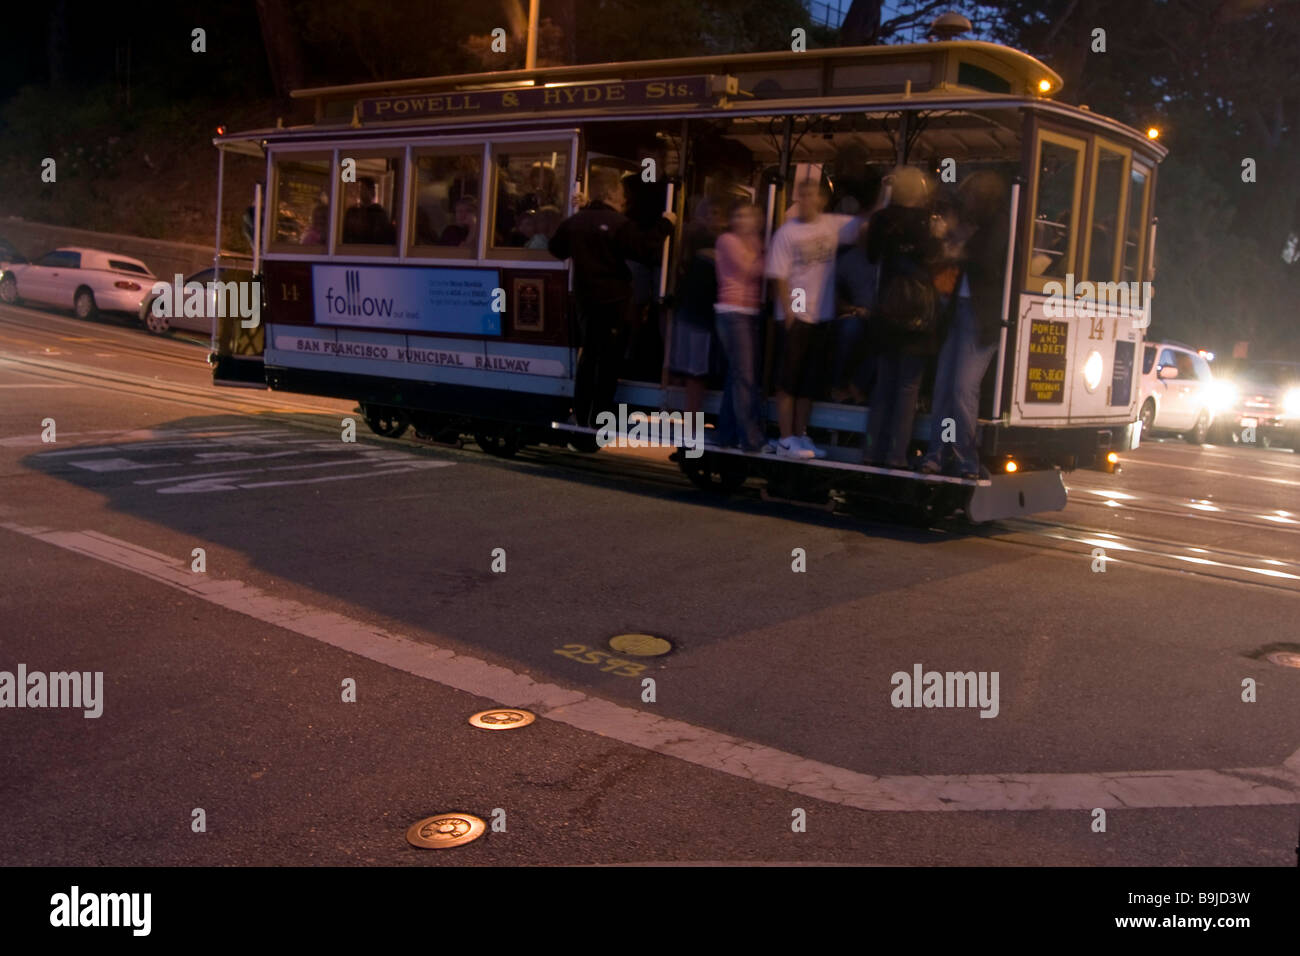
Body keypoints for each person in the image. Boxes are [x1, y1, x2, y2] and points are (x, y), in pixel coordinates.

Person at [548, 169, 676, 429]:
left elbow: (556, 249)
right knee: (609, 361)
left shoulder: (575, 222)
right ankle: (599, 415)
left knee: (589, 355)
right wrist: (667, 223)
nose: (624, 200)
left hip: (585, 298)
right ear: (610, 194)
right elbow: (645, 250)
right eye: (621, 194)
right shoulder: (619, 224)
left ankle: (582, 413)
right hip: (615, 300)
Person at [764, 178, 868, 459]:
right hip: (798, 315)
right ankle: (786, 438)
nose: (807, 199)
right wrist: (790, 312)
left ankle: (800, 435)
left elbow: (864, 224)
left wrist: (887, 191)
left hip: (821, 317)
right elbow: (780, 276)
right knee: (788, 381)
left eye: (812, 195)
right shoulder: (787, 233)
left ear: (822, 200)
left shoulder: (831, 225)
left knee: (807, 383)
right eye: (803, 194)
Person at [919, 170, 1010, 479]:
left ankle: (965, 459)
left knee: (961, 389)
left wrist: (959, 248)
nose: (965, 201)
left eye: (970, 195)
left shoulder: (998, 224)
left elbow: (987, 262)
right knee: (944, 387)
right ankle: (937, 453)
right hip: (959, 309)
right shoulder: (975, 225)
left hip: (980, 314)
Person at [864, 165, 941, 468]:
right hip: (919, 314)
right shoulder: (928, 222)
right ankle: (897, 455)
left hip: (887, 309)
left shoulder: (881, 220)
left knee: (883, 386)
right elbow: (935, 255)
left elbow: (871, 255)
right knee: (908, 389)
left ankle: (871, 452)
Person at [714, 199, 767, 452]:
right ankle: (750, 438)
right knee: (744, 377)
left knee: (737, 376)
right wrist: (766, 256)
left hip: (748, 313)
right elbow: (748, 269)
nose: (742, 221)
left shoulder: (753, 243)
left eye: (748, 216)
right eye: (739, 216)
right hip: (732, 312)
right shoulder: (727, 241)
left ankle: (726, 434)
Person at [668, 197, 722, 425]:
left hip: (696, 314)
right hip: (699, 316)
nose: (712, 219)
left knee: (694, 377)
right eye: (708, 214)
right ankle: (690, 434)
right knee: (695, 378)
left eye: (716, 214)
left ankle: (689, 435)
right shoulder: (698, 242)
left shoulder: (692, 244)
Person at [342, 177, 396, 245]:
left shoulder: (379, 213)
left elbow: (386, 237)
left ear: (372, 192)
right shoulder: (352, 212)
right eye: (359, 189)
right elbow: (345, 234)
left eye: (363, 189)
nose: (360, 192)